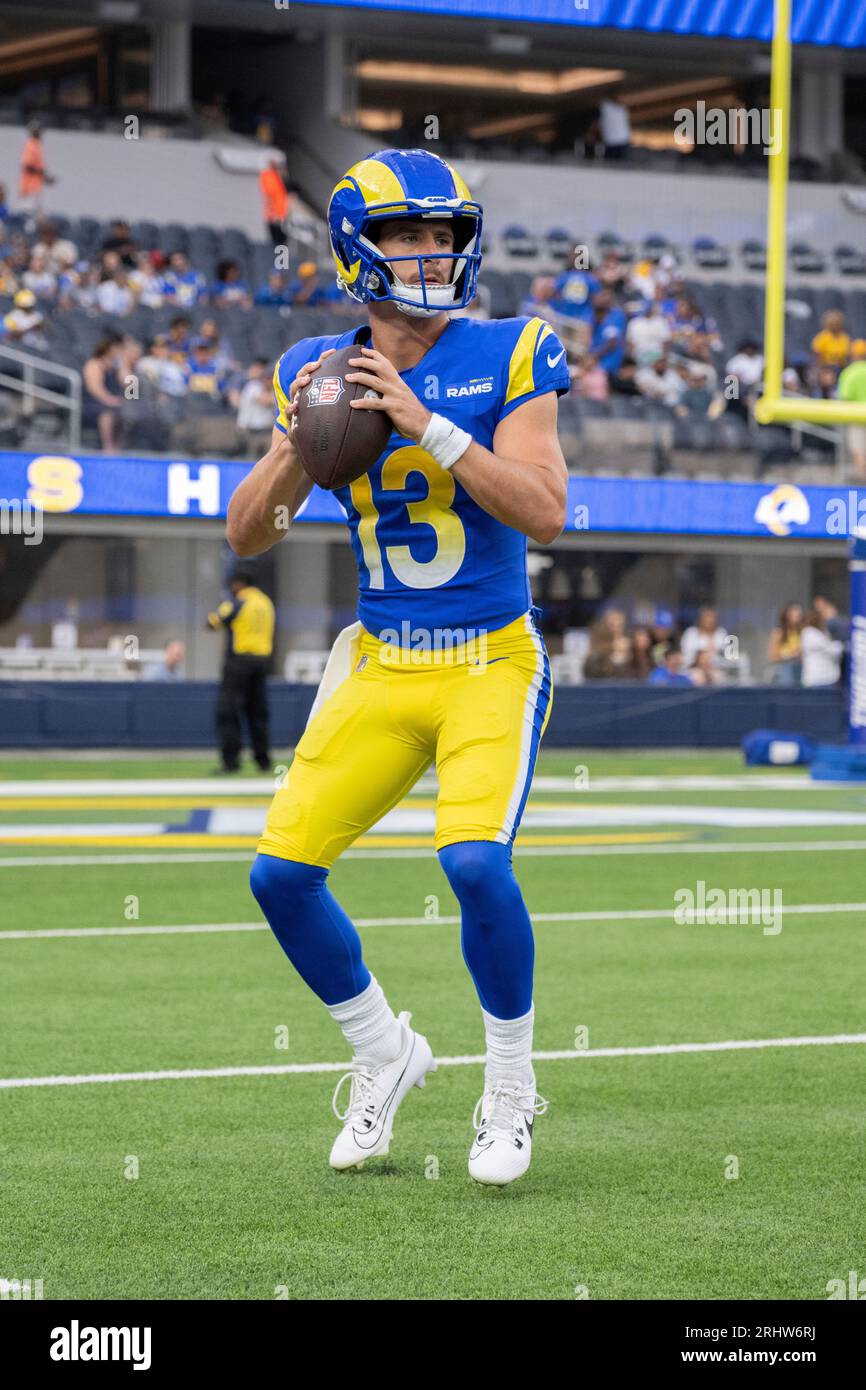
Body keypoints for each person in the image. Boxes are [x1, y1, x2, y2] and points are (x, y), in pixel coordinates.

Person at [228, 147, 569, 1188]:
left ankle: (507, 1086)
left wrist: (428, 424)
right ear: (355, 252)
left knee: (473, 863)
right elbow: (251, 532)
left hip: (486, 660)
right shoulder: (308, 369)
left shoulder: (513, 349)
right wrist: (301, 440)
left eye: (443, 235)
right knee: (278, 875)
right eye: (407, 236)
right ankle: (385, 1051)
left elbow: (546, 512)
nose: (431, 254)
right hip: (379, 662)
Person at [207, 565, 275, 773]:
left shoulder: (238, 601)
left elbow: (213, 622)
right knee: (258, 712)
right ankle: (263, 761)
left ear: (238, 584)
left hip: (239, 662)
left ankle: (231, 762)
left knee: (228, 711)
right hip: (262, 663)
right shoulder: (266, 603)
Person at [82, 334, 125, 451]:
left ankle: (121, 446)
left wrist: (125, 364)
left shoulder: (117, 366)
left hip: (113, 402)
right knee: (107, 413)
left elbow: (130, 385)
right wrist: (109, 399)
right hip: (93, 403)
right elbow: (94, 388)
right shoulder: (94, 364)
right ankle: (108, 445)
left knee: (129, 412)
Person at [800, 607, 844, 686]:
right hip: (818, 679)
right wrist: (841, 645)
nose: (825, 621)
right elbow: (833, 650)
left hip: (827, 678)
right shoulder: (809, 633)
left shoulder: (822, 632)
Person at [18, 122, 54, 217]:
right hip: (29, 188)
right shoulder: (30, 144)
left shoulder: (37, 145)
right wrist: (42, 173)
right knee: (26, 215)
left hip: (37, 187)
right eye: (37, 131)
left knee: (39, 216)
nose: (39, 133)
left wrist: (45, 176)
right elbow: (27, 166)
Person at [767, 602, 803, 684]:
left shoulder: (803, 632)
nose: (799, 618)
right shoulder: (779, 633)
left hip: (801, 669)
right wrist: (790, 655)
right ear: (787, 616)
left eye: (800, 616)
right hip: (785, 670)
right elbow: (772, 656)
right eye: (796, 616)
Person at [259, 156, 289, 245]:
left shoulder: (277, 177)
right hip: (275, 216)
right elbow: (270, 196)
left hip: (279, 215)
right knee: (278, 242)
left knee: (281, 241)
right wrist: (274, 214)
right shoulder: (269, 177)